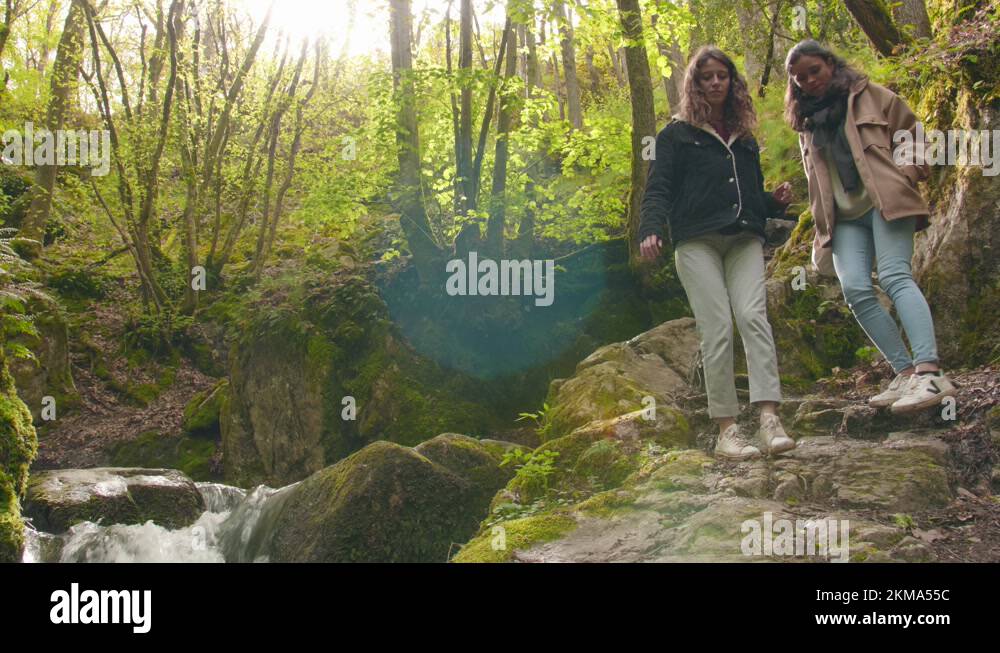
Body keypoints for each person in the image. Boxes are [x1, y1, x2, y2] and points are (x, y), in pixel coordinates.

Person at [638, 46, 795, 461]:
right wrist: (651, 228)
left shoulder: (744, 138)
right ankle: (727, 429)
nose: (714, 82)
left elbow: (746, 196)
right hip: (696, 242)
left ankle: (769, 420)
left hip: (743, 238)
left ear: (732, 81)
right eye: (706, 76)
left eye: (721, 75)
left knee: (752, 316)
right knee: (718, 326)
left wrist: (773, 202)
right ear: (695, 83)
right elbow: (659, 188)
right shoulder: (674, 134)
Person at [784, 39, 956, 414]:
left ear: (831, 64)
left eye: (815, 70)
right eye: (800, 78)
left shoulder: (871, 96)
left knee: (895, 276)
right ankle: (905, 373)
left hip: (885, 203)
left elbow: (912, 133)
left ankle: (930, 371)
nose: (809, 81)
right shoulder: (806, 124)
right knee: (857, 291)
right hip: (842, 219)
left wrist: (906, 175)